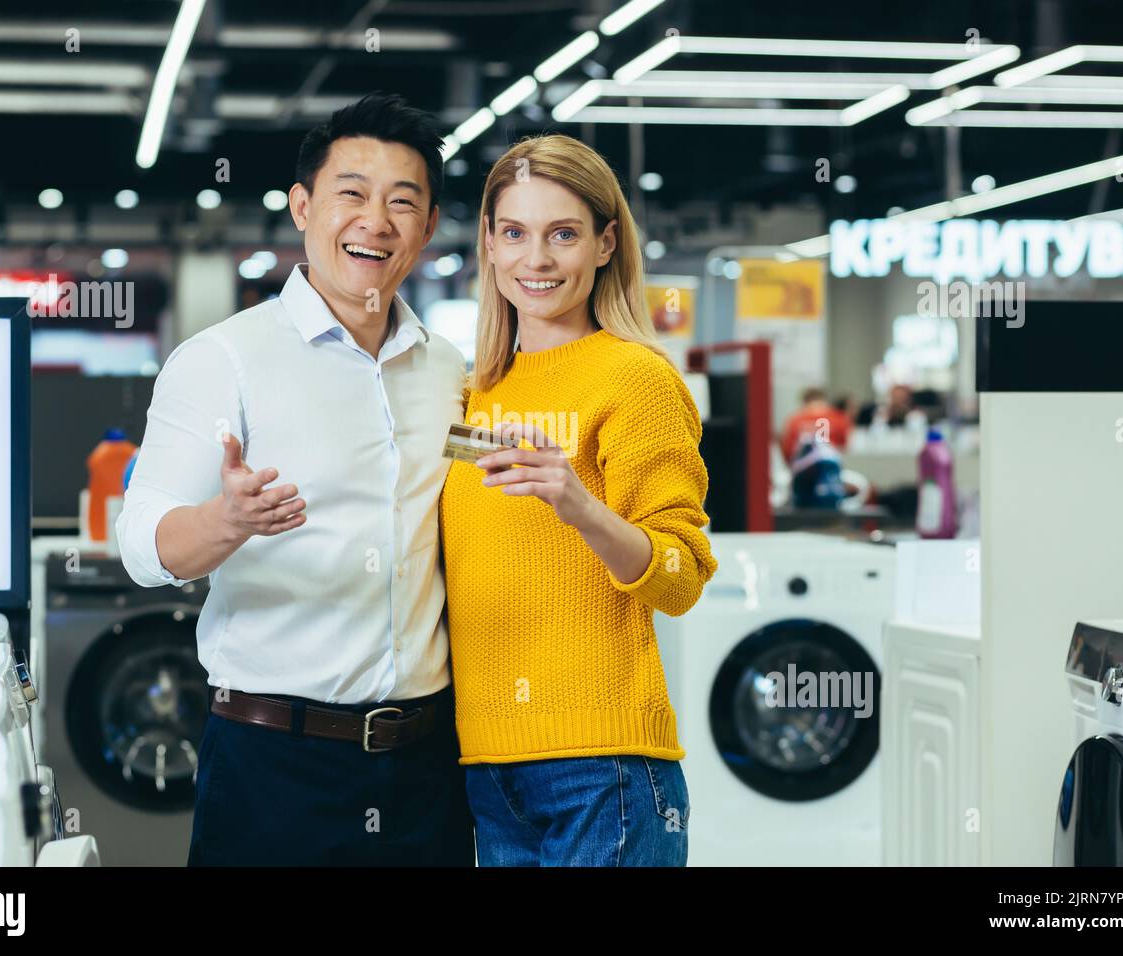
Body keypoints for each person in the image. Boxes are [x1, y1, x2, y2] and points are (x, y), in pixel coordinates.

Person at [116, 93, 474, 866]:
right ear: (302, 206)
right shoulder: (223, 360)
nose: (375, 220)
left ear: (429, 227)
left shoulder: (451, 372)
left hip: (428, 767)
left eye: (402, 202)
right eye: (351, 193)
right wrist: (226, 521)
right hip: (273, 764)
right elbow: (142, 543)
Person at [440, 135, 718, 866]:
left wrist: (579, 505)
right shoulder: (475, 396)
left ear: (605, 243)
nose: (537, 259)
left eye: (563, 234)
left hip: (604, 769)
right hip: (486, 767)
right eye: (515, 233)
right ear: (490, 249)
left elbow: (681, 575)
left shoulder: (636, 379)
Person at [779, 386, 852, 462]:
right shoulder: (840, 418)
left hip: (803, 465)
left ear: (805, 402)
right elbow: (844, 447)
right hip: (831, 465)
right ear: (824, 400)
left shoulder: (794, 420)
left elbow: (788, 450)